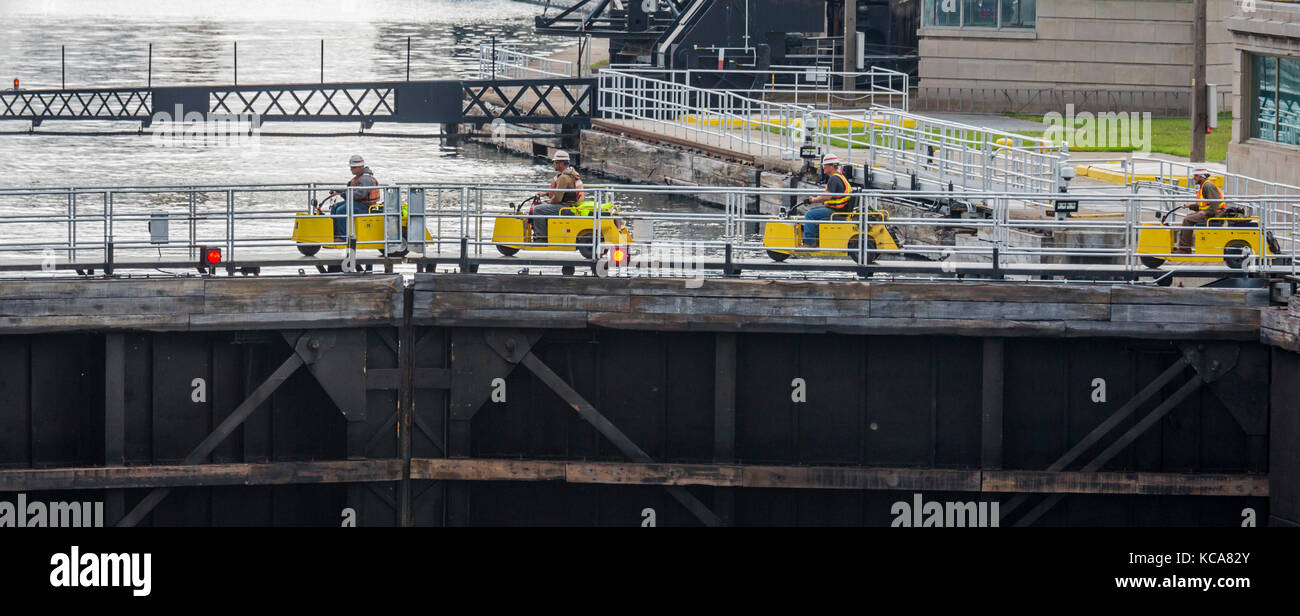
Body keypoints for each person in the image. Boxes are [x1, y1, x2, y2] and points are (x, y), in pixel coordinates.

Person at [530, 150, 584, 243]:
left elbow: (557, 198)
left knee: (537, 209)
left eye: (555, 162)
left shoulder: (563, 177)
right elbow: (563, 192)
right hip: (571, 206)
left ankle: (541, 238)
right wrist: (546, 194)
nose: (554, 164)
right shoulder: (571, 174)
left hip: (566, 208)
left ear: (561, 164)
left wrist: (546, 202)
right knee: (543, 207)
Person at [802, 153, 853, 247]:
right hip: (839, 209)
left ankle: (809, 243)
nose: (823, 167)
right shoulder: (839, 177)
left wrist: (812, 200)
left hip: (836, 211)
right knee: (812, 211)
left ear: (832, 166)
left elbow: (827, 197)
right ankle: (817, 238)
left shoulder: (834, 179)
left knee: (809, 215)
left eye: (825, 165)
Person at [329, 155, 380, 238]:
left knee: (341, 210)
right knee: (334, 207)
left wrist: (344, 194)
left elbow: (360, 194)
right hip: (357, 203)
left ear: (360, 167)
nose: (351, 169)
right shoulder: (359, 177)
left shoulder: (365, 179)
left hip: (366, 206)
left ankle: (343, 237)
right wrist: (340, 191)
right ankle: (336, 234)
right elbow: (352, 191)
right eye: (351, 167)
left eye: (353, 167)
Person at [1175, 169, 1224, 253]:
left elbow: (1215, 204)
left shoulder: (1208, 186)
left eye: (1196, 176)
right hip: (1210, 212)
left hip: (1215, 214)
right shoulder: (1204, 186)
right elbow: (1203, 205)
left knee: (1187, 220)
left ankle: (1184, 249)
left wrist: (1206, 213)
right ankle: (1183, 247)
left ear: (1201, 177)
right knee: (1187, 218)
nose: (1194, 178)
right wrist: (1189, 206)